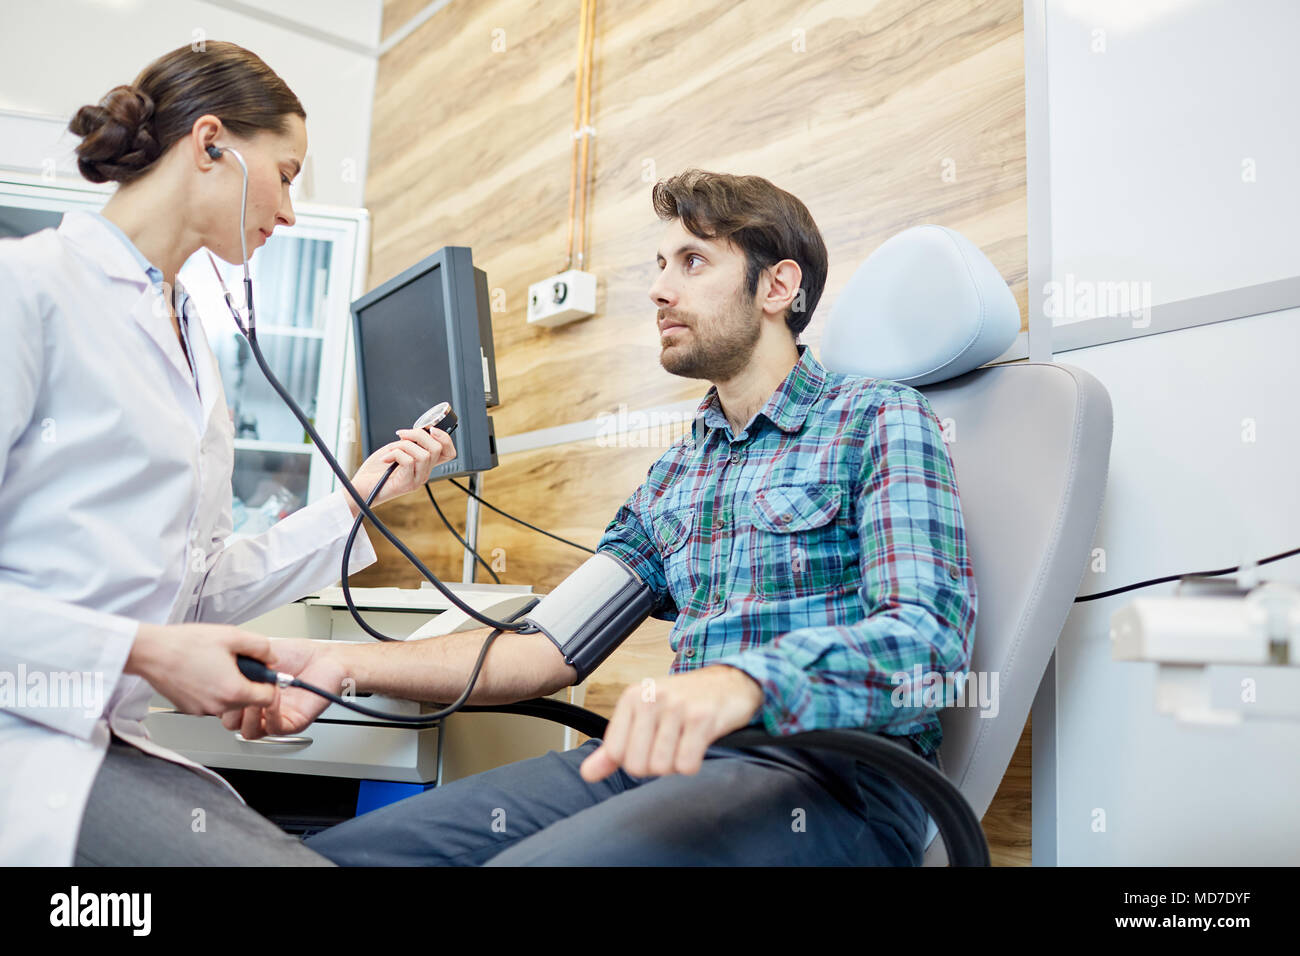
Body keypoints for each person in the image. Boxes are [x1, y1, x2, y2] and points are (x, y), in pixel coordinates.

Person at [232, 169, 979, 866]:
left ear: (778, 286)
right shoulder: (676, 476)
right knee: (345, 856)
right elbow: (544, 648)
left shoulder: (876, 420)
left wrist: (742, 684)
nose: (658, 290)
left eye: (690, 262)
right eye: (657, 265)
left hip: (836, 783)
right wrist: (346, 665)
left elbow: (929, 644)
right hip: (674, 767)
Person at [0, 41, 456, 866]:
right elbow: (152, 634)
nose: (288, 213)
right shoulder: (26, 288)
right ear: (210, 143)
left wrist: (358, 502)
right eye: (285, 173)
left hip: (108, 738)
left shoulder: (191, 341)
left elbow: (197, 588)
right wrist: (142, 653)